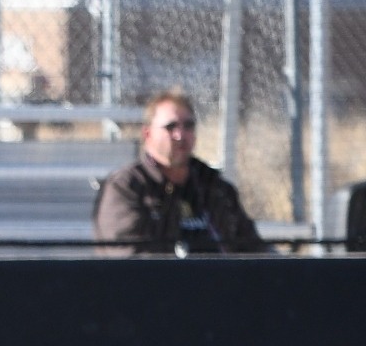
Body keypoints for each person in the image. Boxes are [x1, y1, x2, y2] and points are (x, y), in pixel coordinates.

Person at [93, 88, 265, 255]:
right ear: (147, 134)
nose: (180, 135)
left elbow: (254, 250)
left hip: (222, 282)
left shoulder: (215, 187)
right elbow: (130, 260)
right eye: (170, 126)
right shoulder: (127, 187)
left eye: (188, 126)